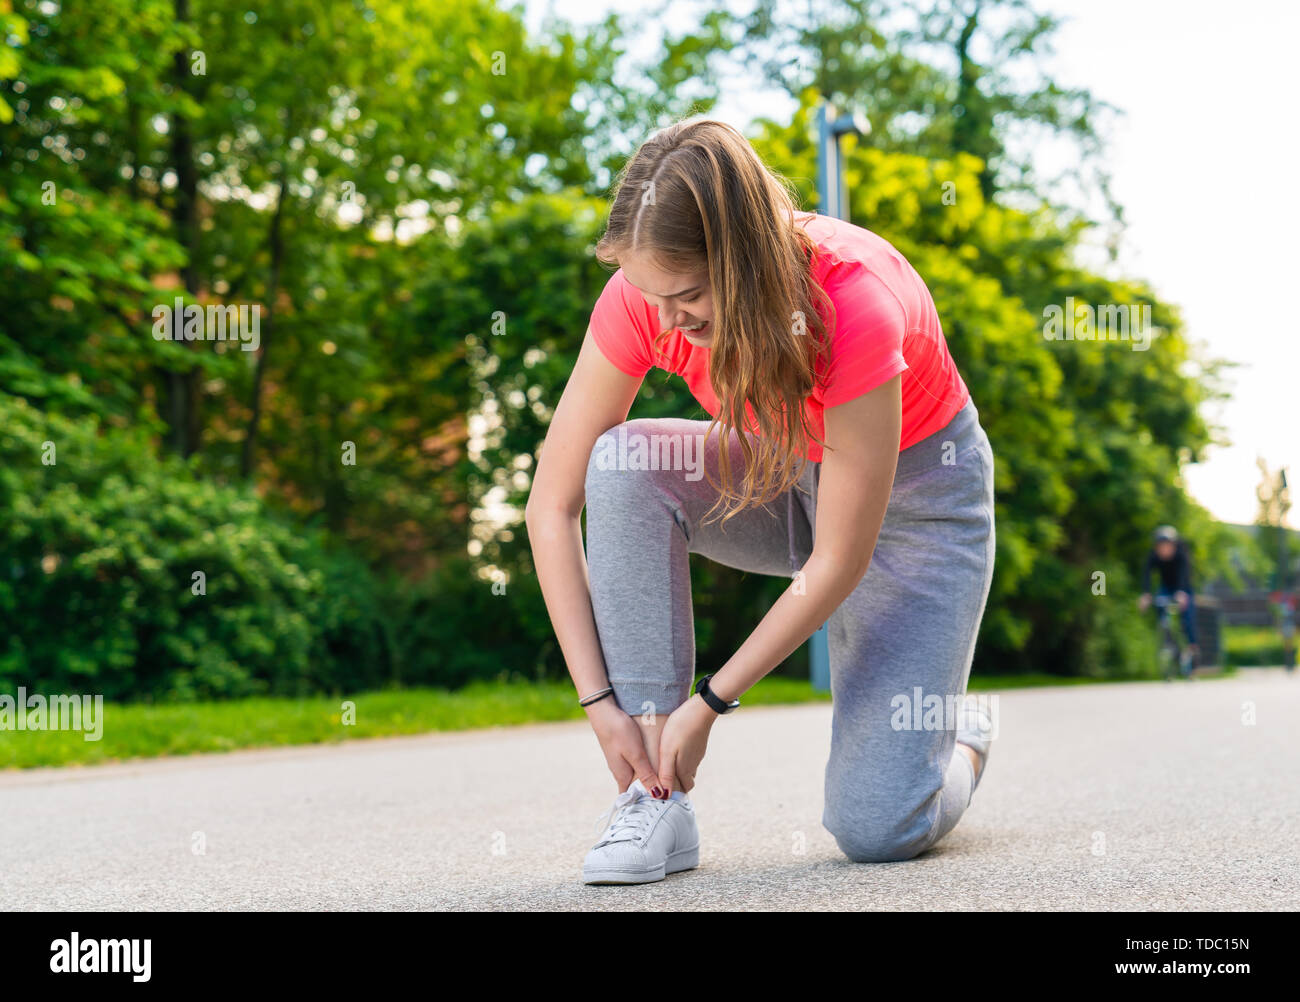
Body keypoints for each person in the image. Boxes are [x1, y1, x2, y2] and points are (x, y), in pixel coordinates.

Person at [524, 117, 996, 884]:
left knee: (877, 828)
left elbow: (838, 559)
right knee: (624, 460)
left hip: (918, 507)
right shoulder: (647, 301)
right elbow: (551, 506)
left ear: (742, 264)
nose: (665, 321)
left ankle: (963, 735)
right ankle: (654, 796)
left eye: (688, 296)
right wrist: (601, 704)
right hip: (785, 471)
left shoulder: (855, 300)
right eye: (649, 294)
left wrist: (709, 703)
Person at [1137, 525, 1198, 670]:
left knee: (1188, 618)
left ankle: (1191, 648)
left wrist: (1181, 592)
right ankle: (1168, 637)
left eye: (1167, 546)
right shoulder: (1153, 556)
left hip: (1184, 588)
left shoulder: (1181, 555)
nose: (1164, 550)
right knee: (1160, 606)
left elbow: (1185, 573)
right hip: (1166, 588)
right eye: (1161, 547)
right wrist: (1146, 594)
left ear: (1174, 546)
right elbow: (1146, 574)